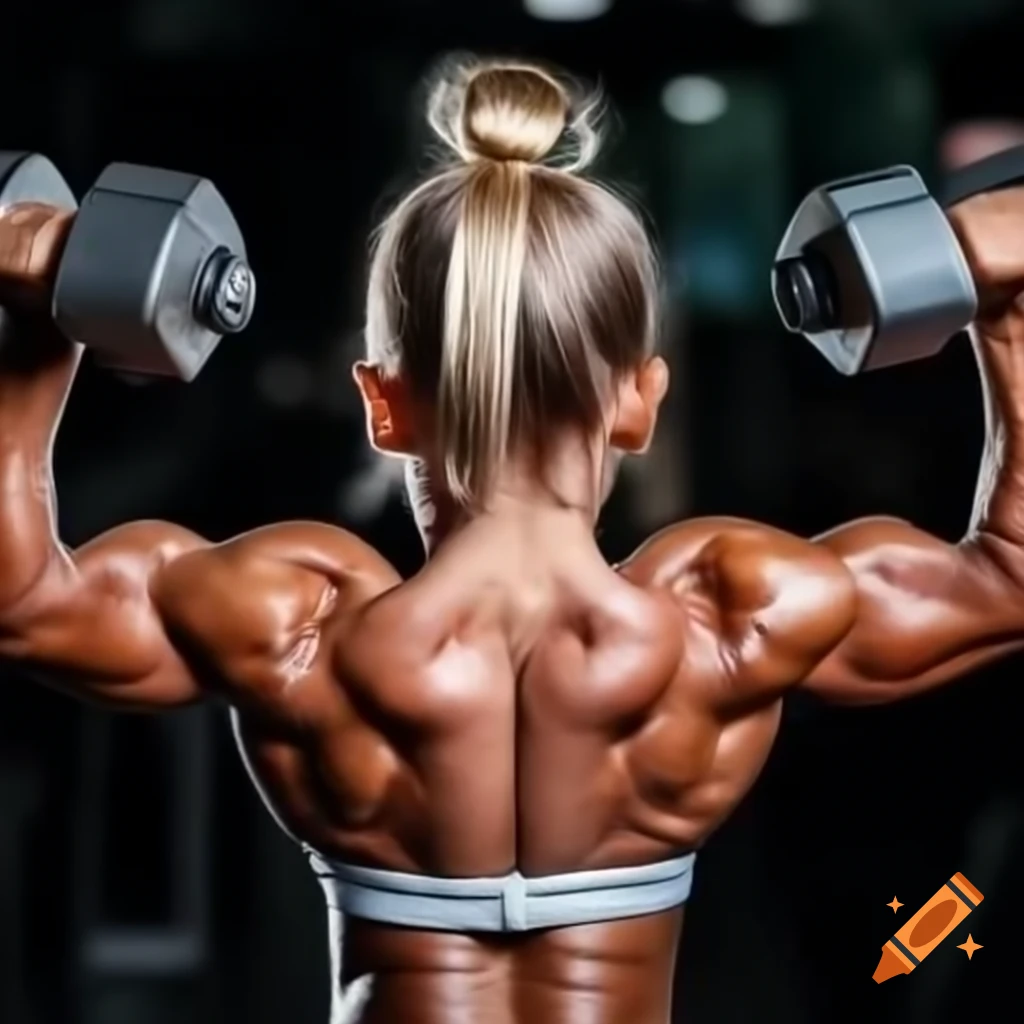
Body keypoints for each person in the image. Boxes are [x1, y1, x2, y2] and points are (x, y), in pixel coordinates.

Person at [1, 57, 1024, 1024]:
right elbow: (1008, 574)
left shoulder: (295, 625)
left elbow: (25, 601)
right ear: (639, 400)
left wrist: (38, 328)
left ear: (383, 405)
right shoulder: (729, 617)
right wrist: (1006, 322)